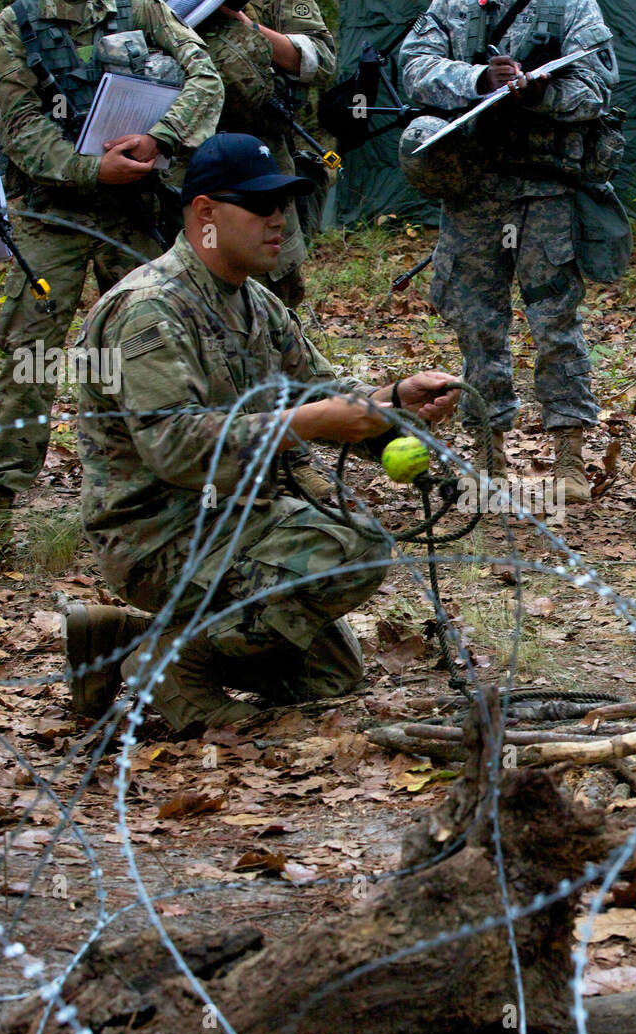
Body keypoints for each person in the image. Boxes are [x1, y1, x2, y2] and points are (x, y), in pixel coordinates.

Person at [66, 134, 460, 732]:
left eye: (283, 205)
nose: (278, 219)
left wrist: (393, 404)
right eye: (259, 206)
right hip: (156, 531)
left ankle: (122, 639)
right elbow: (175, 449)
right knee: (352, 552)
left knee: (328, 674)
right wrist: (305, 424)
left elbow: (320, 393)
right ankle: (169, 663)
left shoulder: (254, 303)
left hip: (233, 517)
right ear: (206, 213)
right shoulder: (149, 309)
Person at [0, 0, 222, 565]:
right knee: (31, 351)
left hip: (137, 205)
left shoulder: (138, 5)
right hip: (57, 211)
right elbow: (19, 126)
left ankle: (179, 490)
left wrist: (163, 136)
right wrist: (88, 168)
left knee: (162, 343)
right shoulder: (15, 25)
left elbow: (204, 74)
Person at [397, 0, 619, 503]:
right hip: (472, 191)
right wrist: (476, 77)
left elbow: (599, 87)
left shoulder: (571, 2)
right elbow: (414, 70)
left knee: (555, 323)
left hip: (544, 191)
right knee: (477, 327)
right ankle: (488, 455)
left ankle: (568, 458)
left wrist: (541, 92)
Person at [162, 0, 336, 311]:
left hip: (262, 165)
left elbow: (323, 62)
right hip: (187, 165)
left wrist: (244, 24)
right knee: (185, 293)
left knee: (269, 299)